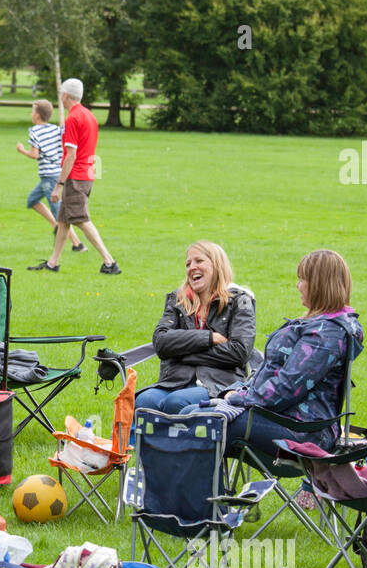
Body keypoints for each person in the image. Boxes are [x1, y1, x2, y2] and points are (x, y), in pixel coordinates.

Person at [201, 250, 363, 455]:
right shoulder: (319, 325)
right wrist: (237, 392)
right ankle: (195, 488)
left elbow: (287, 387)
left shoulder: (327, 334)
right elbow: (271, 375)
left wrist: (238, 398)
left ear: (318, 286)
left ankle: (195, 488)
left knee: (200, 425)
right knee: (190, 416)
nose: (298, 286)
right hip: (279, 416)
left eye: (302, 280)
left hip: (303, 430)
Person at [134, 241, 256, 425]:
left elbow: (239, 352)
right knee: (144, 402)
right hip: (175, 380)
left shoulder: (240, 301)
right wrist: (208, 338)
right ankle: (147, 453)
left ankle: (183, 452)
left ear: (217, 265)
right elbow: (161, 342)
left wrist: (182, 353)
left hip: (219, 383)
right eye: (188, 263)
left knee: (176, 402)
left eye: (199, 261)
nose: (192, 267)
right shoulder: (178, 300)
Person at [28, 78, 119, 275]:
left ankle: (109, 262)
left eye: (61, 94)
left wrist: (59, 185)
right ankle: (53, 263)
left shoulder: (73, 118)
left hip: (76, 176)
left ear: (65, 96)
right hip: (88, 173)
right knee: (63, 221)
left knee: (80, 219)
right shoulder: (89, 116)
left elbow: (70, 156)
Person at [14, 99, 85, 253]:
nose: (31, 114)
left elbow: (34, 154)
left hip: (49, 176)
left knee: (58, 211)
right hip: (57, 173)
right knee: (32, 200)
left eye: (33, 111)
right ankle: (55, 226)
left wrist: (22, 151)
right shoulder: (56, 129)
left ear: (38, 116)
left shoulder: (34, 131)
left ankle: (77, 244)